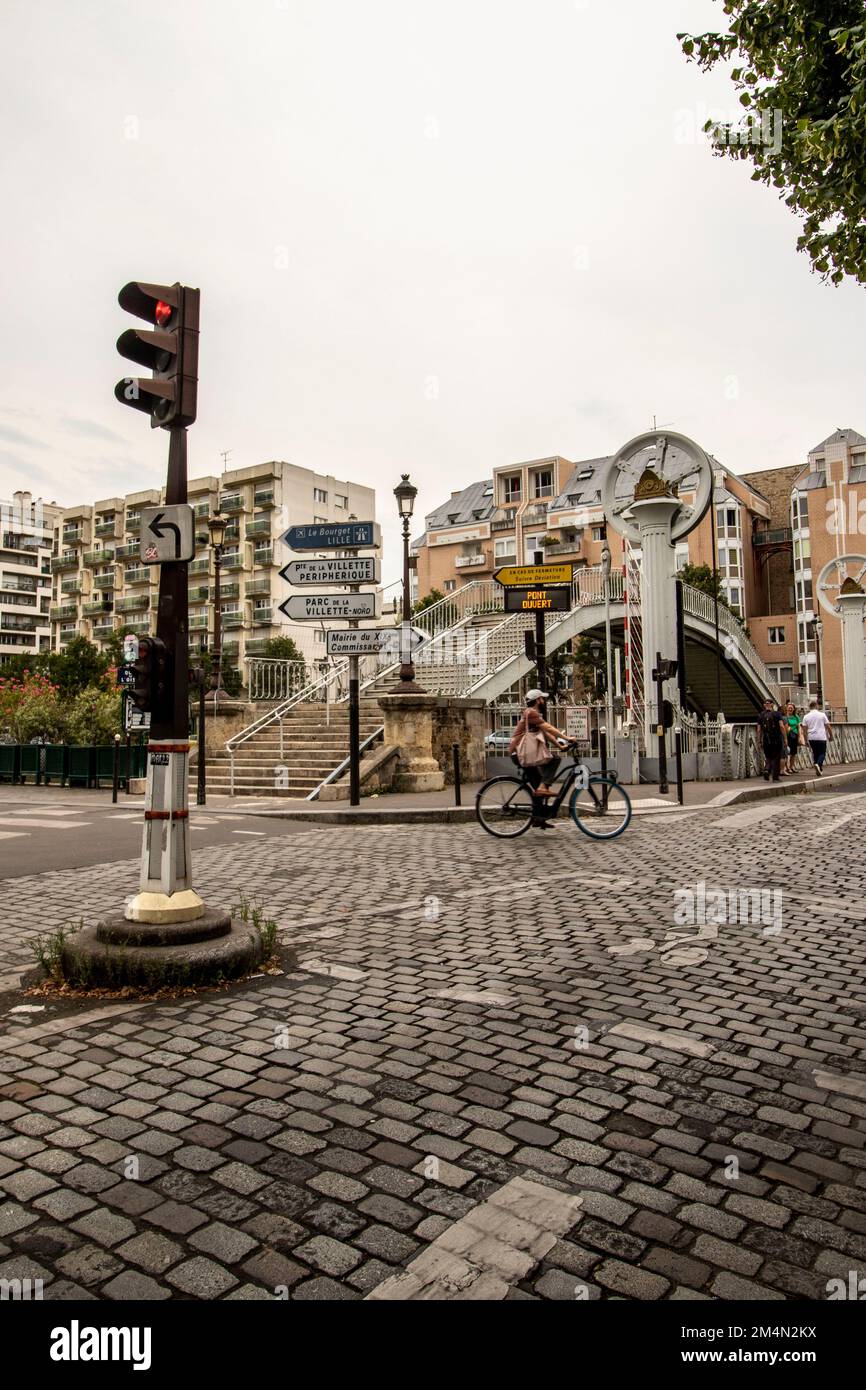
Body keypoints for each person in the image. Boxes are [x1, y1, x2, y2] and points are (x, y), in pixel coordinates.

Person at [508, 688, 570, 830]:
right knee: (553, 762)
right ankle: (539, 810)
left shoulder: (533, 714)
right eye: (542, 698)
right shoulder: (531, 713)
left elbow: (546, 734)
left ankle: (538, 819)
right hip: (519, 753)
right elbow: (548, 728)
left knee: (540, 786)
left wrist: (560, 747)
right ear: (537, 700)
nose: (543, 701)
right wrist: (567, 738)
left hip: (522, 753)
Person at [755, 698, 787, 782]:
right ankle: (775, 777)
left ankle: (766, 769)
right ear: (772, 705)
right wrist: (785, 738)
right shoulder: (777, 714)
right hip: (776, 739)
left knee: (768, 756)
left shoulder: (761, 715)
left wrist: (759, 740)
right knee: (776, 757)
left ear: (764, 705)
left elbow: (758, 730)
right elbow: (781, 726)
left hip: (766, 739)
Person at [801, 700, 832, 775]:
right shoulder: (822, 715)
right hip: (821, 736)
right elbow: (828, 726)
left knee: (815, 753)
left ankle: (819, 769)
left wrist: (805, 740)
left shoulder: (806, 716)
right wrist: (831, 736)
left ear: (810, 707)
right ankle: (818, 764)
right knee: (822, 753)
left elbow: (804, 730)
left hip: (811, 737)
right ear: (816, 706)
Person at [783, 701, 802, 775]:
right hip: (787, 736)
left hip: (794, 735)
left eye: (792, 708)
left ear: (794, 709)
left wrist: (800, 736)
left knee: (793, 752)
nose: (790, 709)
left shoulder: (796, 717)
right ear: (786, 708)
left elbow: (799, 726)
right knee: (786, 752)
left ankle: (791, 767)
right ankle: (786, 767)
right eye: (789, 708)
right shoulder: (784, 717)